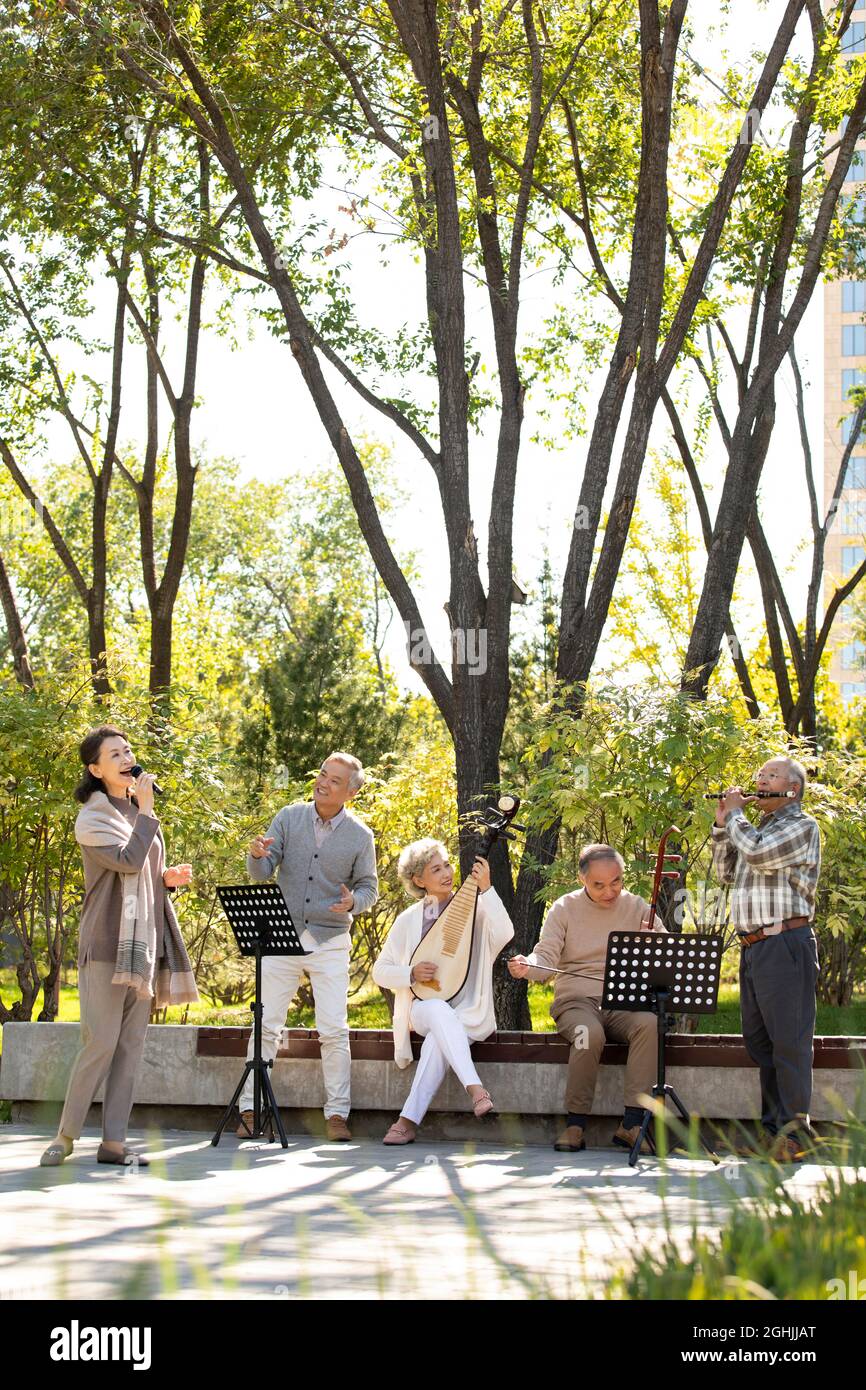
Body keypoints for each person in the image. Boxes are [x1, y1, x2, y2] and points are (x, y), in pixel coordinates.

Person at [40, 726, 199, 1168]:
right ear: (96, 769)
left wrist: (166, 880)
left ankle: (113, 1143)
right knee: (101, 1044)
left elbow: (143, 871)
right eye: (116, 754)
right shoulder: (92, 818)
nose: (128, 758)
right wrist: (147, 814)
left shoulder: (138, 812)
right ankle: (65, 1135)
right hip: (107, 943)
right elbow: (128, 859)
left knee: (130, 1047)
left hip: (142, 944)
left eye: (128, 750)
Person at [238, 752, 378, 1142]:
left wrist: (354, 902)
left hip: (331, 939)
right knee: (265, 1024)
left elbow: (370, 887)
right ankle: (250, 1109)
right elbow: (263, 872)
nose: (323, 782)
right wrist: (256, 856)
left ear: (349, 792)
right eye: (322, 774)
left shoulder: (360, 836)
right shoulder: (288, 817)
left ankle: (336, 1114)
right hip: (282, 935)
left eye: (335, 780)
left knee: (333, 1029)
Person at [508, 843, 659, 1155]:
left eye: (616, 882)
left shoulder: (637, 906)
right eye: (599, 885)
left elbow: (667, 954)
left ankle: (632, 1123)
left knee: (649, 1023)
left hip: (622, 999)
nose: (609, 892)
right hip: (576, 1000)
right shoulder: (564, 908)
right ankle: (575, 1123)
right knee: (588, 1034)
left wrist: (655, 943)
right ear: (582, 880)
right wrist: (528, 965)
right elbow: (545, 956)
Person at [711, 757, 821, 1163]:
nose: (760, 779)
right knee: (761, 1043)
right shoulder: (753, 829)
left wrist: (738, 816)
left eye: (770, 775)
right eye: (759, 774)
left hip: (785, 942)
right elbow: (726, 873)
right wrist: (724, 825)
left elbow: (757, 855)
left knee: (789, 1042)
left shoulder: (801, 826)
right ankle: (773, 1132)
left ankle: (795, 1135)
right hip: (754, 946)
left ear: (791, 789)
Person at [372, 839, 513, 1143]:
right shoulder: (408, 920)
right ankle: (476, 1089)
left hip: (466, 1009)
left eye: (447, 865)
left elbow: (504, 934)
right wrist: (410, 973)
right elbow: (379, 972)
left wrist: (487, 889)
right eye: (436, 869)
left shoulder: (472, 908)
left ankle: (406, 1122)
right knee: (437, 1011)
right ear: (419, 880)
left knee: (441, 1034)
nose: (447, 873)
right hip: (422, 1007)